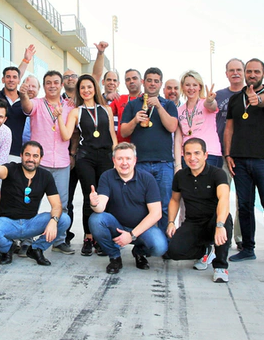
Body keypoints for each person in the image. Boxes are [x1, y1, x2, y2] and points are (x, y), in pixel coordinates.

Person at [223, 59, 264, 267]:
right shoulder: (235, 100)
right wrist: (228, 154)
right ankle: (248, 248)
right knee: (245, 206)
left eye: (256, 72)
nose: (252, 75)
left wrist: (258, 99)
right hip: (240, 161)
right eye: (249, 71)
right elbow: (229, 128)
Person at [0, 141, 71, 266]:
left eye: (35, 156)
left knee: (64, 219)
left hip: (31, 222)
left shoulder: (46, 176)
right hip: (8, 222)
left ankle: (36, 249)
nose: (31, 159)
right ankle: (8, 249)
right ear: (21, 155)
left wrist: (53, 221)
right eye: (27, 155)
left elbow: (57, 205)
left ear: (41, 158)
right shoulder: (11, 169)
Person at [19, 71, 76, 255]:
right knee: (29, 202)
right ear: (44, 86)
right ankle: (26, 241)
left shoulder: (69, 106)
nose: (52, 85)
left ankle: (59, 240)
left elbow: (72, 133)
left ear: (61, 85)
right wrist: (24, 95)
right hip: (38, 164)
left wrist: (73, 153)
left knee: (62, 204)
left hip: (61, 162)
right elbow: (26, 106)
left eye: (56, 82)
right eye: (49, 82)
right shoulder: (36, 103)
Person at [88, 143, 167, 273]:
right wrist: (94, 203)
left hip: (142, 229)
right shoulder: (107, 176)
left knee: (160, 246)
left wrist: (131, 235)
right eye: (120, 159)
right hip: (117, 226)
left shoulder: (147, 179)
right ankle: (115, 256)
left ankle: (139, 252)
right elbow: (100, 208)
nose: (124, 163)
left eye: (128, 158)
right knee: (96, 219)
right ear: (114, 160)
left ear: (135, 160)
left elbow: (156, 213)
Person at [61, 74, 117, 256]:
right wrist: (57, 119)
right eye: (82, 87)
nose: (86, 90)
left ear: (95, 88)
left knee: (104, 198)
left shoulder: (106, 109)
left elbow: (112, 135)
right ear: (79, 91)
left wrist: (116, 157)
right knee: (89, 196)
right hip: (85, 158)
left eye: (89, 87)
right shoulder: (75, 112)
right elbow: (66, 135)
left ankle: (101, 238)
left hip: (105, 158)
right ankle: (88, 237)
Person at [166, 138, 233, 283]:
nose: (192, 158)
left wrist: (220, 225)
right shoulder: (180, 176)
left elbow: (224, 199)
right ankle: (205, 251)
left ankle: (221, 266)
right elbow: (174, 200)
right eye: (188, 154)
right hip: (193, 222)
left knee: (224, 219)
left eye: (197, 153)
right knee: (174, 251)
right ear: (183, 156)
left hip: (214, 221)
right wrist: (171, 222)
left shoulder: (218, 174)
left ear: (205, 155)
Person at [120, 67, 179, 232]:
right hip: (140, 164)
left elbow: (172, 127)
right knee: (140, 206)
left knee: (165, 205)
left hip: (164, 163)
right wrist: (135, 120)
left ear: (160, 84)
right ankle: (142, 247)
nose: (152, 84)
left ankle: (165, 244)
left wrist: (159, 107)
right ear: (143, 82)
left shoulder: (168, 104)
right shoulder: (132, 105)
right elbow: (124, 131)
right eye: (149, 80)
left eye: (156, 81)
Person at [215, 59, 245, 250]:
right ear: (226, 73)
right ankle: (221, 233)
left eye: (238, 70)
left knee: (242, 199)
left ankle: (240, 237)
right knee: (220, 197)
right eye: (231, 70)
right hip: (221, 153)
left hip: (243, 152)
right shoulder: (219, 95)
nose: (235, 73)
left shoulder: (250, 94)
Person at [174, 70, 222, 170]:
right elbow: (178, 139)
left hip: (209, 153)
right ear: (182, 87)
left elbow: (211, 106)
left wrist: (210, 100)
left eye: (195, 85)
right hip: (187, 155)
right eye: (187, 85)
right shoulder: (179, 110)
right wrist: (178, 164)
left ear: (200, 87)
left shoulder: (204, 103)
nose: (191, 88)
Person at [110, 69, 143, 144]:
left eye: (134, 78)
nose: (131, 81)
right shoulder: (119, 99)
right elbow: (103, 113)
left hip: (141, 145)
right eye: (128, 79)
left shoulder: (147, 100)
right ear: (125, 83)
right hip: (122, 145)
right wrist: (106, 97)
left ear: (141, 81)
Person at [20, 75, 41, 145]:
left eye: (34, 86)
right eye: (28, 86)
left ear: (39, 89)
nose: (30, 89)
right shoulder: (15, 105)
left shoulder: (43, 107)